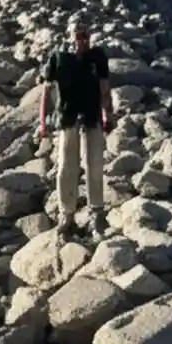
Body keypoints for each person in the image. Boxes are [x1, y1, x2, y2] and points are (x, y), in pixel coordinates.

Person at [39, 16, 115, 237]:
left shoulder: (97, 57)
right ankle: (67, 215)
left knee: (94, 164)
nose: (82, 39)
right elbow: (46, 90)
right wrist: (43, 121)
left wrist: (108, 115)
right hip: (67, 117)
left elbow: (104, 87)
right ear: (69, 35)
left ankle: (97, 214)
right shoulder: (58, 58)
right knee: (65, 166)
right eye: (78, 34)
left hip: (91, 116)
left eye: (85, 35)